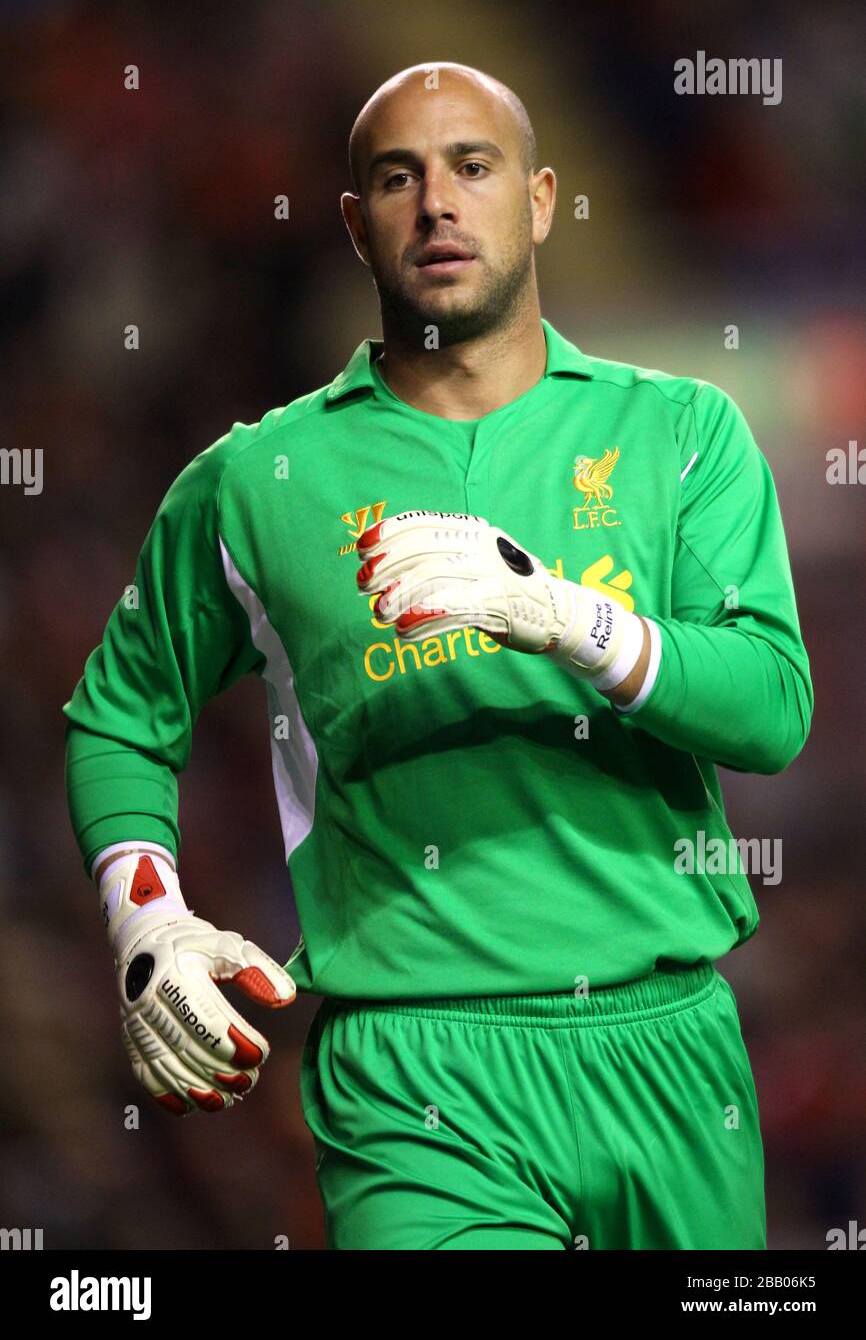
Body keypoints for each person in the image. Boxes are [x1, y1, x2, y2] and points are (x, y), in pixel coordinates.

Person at [64, 62, 813, 1250]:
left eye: (472, 166)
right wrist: (144, 917)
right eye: (396, 178)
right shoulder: (256, 483)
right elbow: (121, 713)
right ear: (354, 224)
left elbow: (769, 709)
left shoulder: (680, 431)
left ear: (540, 199)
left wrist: (563, 618)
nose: (437, 204)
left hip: (671, 1050)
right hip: (414, 1076)